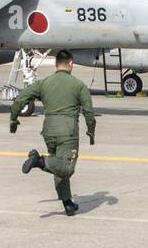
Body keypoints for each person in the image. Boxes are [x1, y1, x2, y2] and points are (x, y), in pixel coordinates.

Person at [11, 49, 96, 216]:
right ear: (71, 63)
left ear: (56, 65)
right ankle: (39, 161)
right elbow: (89, 112)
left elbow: (21, 98)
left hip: (48, 131)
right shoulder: (78, 85)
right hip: (67, 132)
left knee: (57, 165)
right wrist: (91, 132)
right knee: (66, 168)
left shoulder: (44, 83)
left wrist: (14, 119)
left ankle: (68, 203)